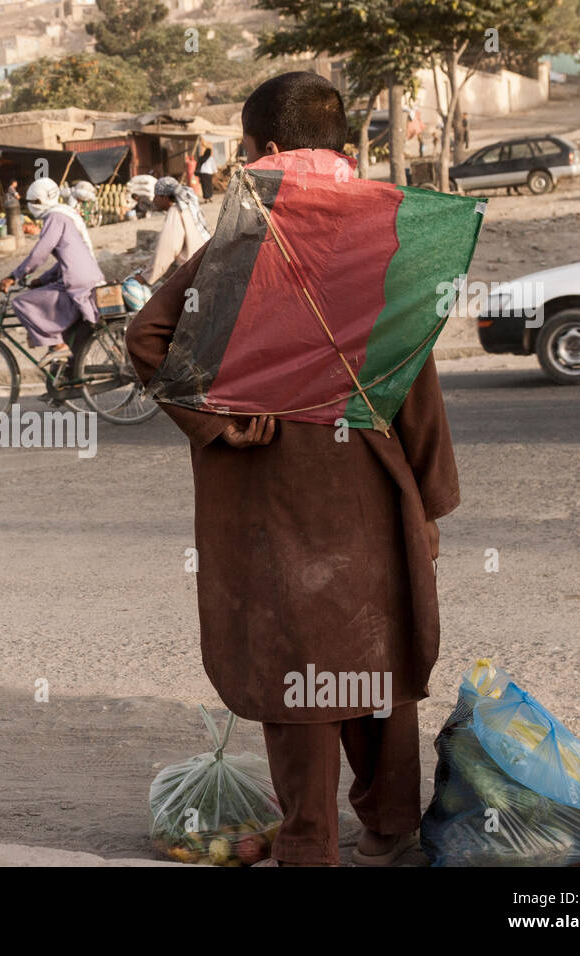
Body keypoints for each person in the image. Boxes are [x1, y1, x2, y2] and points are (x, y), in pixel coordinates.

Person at [125, 70, 459, 868]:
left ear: (268, 149)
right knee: (375, 658)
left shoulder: (242, 242)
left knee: (297, 663)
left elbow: (146, 340)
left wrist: (219, 421)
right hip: (375, 486)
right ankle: (388, 826)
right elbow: (415, 382)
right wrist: (430, 505)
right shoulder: (395, 233)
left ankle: (309, 846)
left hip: (273, 485)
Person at [0, 177, 105, 366]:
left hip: (78, 283)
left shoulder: (55, 218)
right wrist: (42, 279)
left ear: (39, 202)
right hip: (85, 277)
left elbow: (40, 253)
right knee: (46, 303)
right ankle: (60, 384)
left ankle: (57, 346)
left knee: (22, 302)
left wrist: (14, 276)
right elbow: (67, 259)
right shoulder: (65, 215)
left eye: (32, 202)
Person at [133, 176, 211, 288]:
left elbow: (167, 249)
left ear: (164, 197)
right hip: (204, 264)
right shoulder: (189, 207)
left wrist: (145, 277)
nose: (154, 200)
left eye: (156, 196)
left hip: (192, 272)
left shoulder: (176, 211)